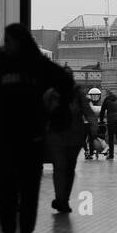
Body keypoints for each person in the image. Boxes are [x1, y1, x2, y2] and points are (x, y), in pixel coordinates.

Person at [0, 23, 74, 233]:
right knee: (5, 189)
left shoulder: (37, 64)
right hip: (2, 136)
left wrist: (54, 108)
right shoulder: (0, 63)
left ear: (20, 41)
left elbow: (65, 81)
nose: (5, 45)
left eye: (9, 40)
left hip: (31, 137)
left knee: (30, 189)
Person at [46, 69, 86, 214]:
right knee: (67, 169)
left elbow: (43, 113)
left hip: (57, 137)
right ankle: (63, 200)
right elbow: (88, 112)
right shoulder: (77, 93)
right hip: (73, 137)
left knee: (61, 169)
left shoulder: (51, 93)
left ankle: (61, 199)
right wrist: (94, 132)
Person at [98, 90, 117, 159]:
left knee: (111, 138)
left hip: (111, 120)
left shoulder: (107, 100)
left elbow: (102, 111)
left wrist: (101, 120)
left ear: (108, 95)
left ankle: (111, 155)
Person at [82, 87, 103, 159]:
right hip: (90, 124)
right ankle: (90, 153)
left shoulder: (82, 104)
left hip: (84, 124)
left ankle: (86, 151)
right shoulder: (91, 104)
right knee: (91, 139)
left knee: (83, 139)